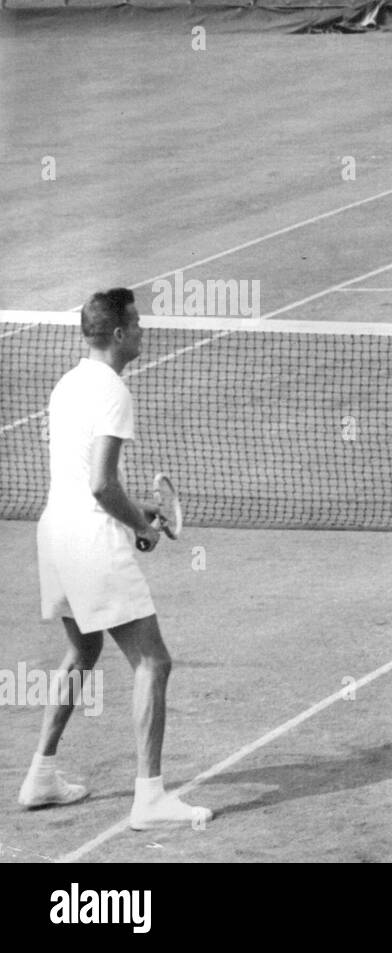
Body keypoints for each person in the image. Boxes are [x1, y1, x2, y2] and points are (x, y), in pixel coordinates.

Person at [21, 288, 213, 831]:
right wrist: (138, 527)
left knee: (82, 653)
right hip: (89, 540)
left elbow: (89, 477)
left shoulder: (67, 384)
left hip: (55, 536)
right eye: (138, 324)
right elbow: (102, 484)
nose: (144, 333)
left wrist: (138, 510)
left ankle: (40, 776)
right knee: (153, 662)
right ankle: (149, 800)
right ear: (121, 334)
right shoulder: (114, 391)